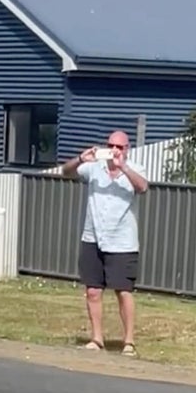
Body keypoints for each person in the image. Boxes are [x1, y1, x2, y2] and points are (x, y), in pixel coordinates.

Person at [60, 130, 149, 355]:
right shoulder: (94, 168)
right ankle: (97, 338)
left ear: (127, 149)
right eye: (111, 145)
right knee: (93, 291)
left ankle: (128, 341)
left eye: (119, 147)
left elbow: (143, 187)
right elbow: (65, 172)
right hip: (93, 237)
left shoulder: (134, 169)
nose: (114, 150)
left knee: (123, 291)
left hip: (122, 241)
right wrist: (81, 158)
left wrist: (123, 168)